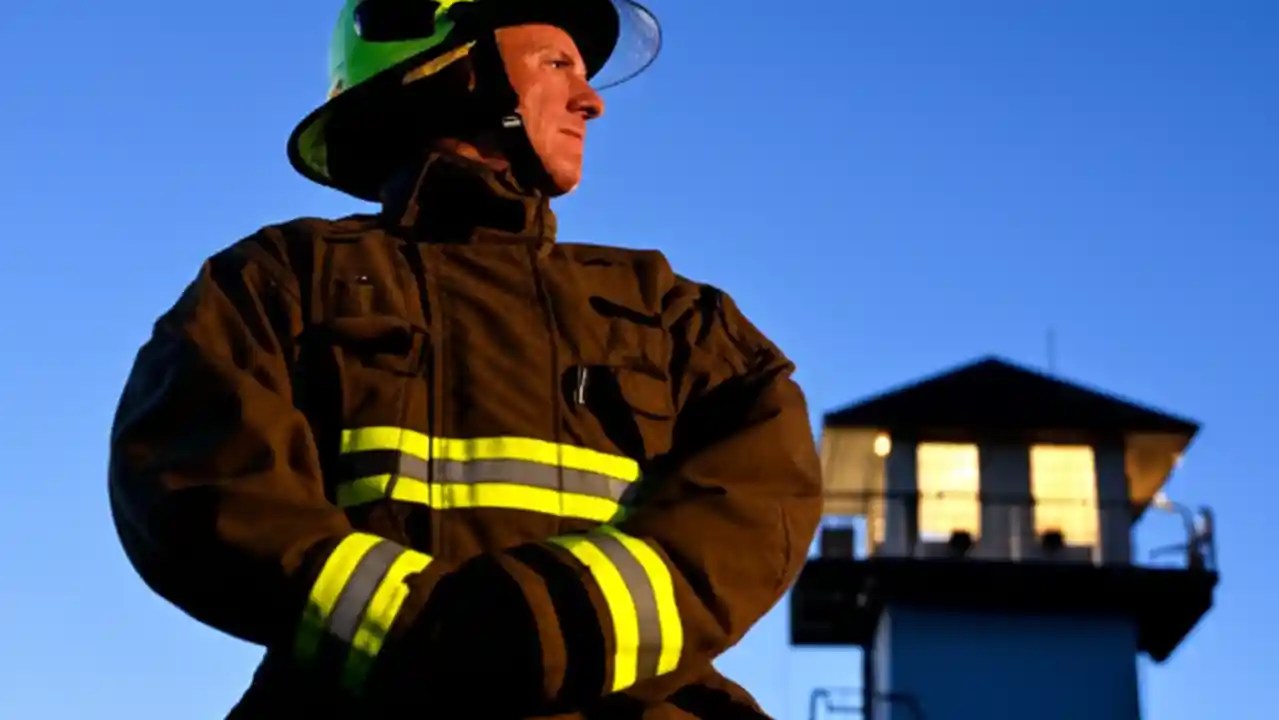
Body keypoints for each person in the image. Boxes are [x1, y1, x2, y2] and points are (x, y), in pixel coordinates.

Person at [107, 0, 822, 717]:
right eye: (556, 64)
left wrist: (546, 629)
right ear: (461, 70)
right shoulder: (281, 282)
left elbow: (761, 501)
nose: (592, 100)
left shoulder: (673, 314)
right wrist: (427, 635)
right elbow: (198, 484)